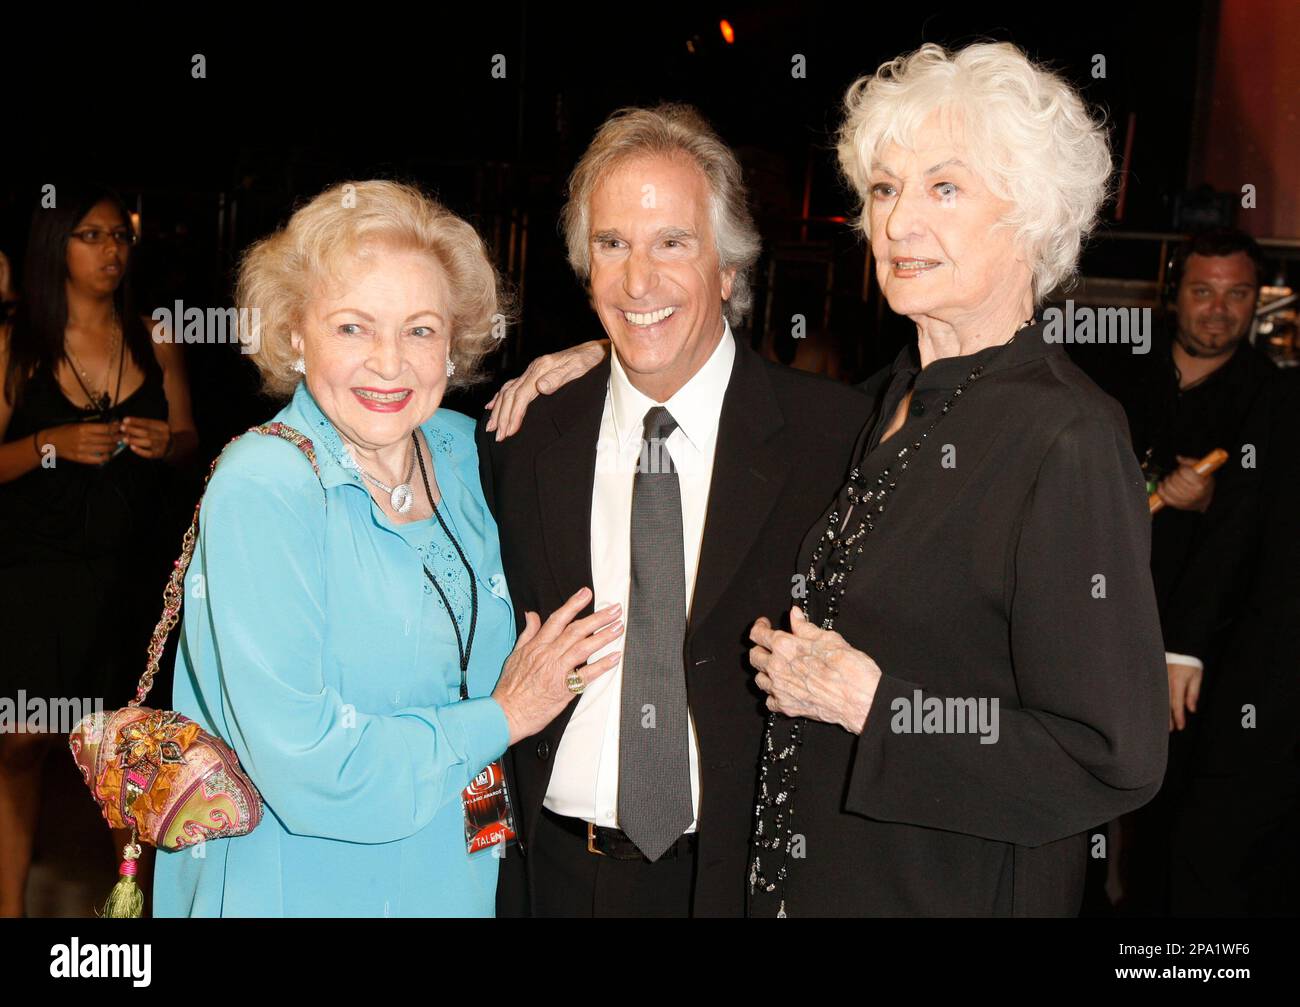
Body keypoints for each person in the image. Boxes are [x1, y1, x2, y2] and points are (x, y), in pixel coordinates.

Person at [501, 44, 1170, 916]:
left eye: (945, 188)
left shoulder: (1066, 435)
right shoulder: (888, 408)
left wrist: (877, 704)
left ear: (1033, 216)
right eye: (885, 190)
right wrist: (612, 355)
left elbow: (1111, 755)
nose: (896, 224)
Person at [151, 180, 623, 917]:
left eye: (420, 330)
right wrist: (502, 714)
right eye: (352, 328)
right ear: (295, 332)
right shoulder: (265, 486)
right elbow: (308, 766)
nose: (389, 363)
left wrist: (605, 356)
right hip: (300, 886)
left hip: (456, 878)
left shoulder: (467, 454)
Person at [477, 105, 872, 917]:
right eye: (612, 244)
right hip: (550, 876)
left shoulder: (836, 441)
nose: (637, 280)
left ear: (728, 268)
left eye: (672, 243)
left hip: (736, 883)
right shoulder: (521, 440)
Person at [0, 183, 198, 917]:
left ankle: (127, 907)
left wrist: (163, 442)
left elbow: (188, 442)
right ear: (57, 244)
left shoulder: (155, 337)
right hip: (35, 571)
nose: (112, 250)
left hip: (128, 574)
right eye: (91, 236)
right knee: (22, 739)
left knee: (124, 754)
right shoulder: (16, 343)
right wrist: (48, 444)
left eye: (119, 235)